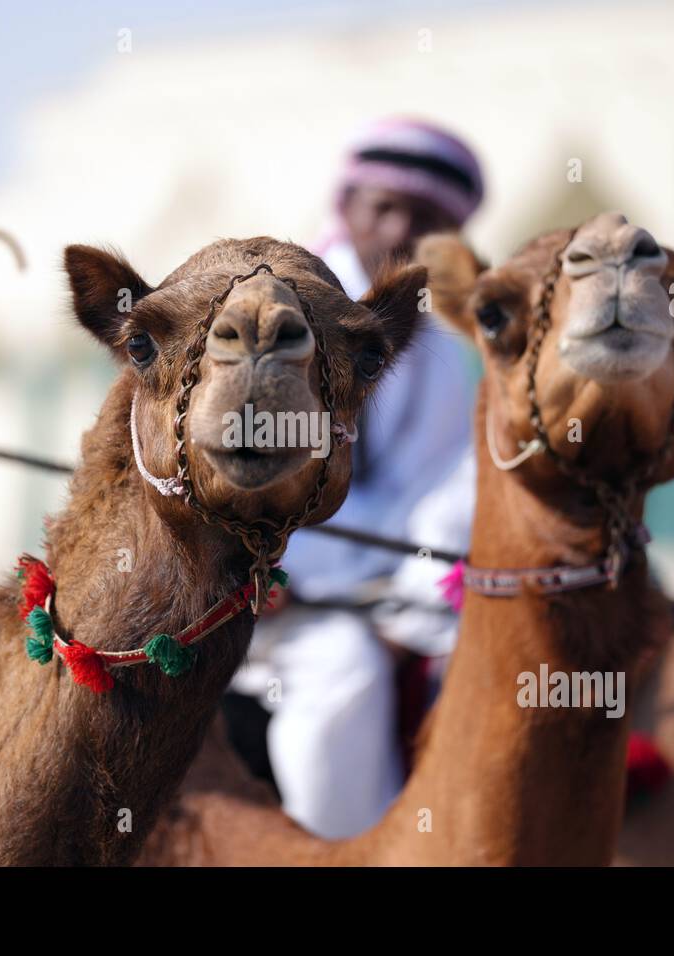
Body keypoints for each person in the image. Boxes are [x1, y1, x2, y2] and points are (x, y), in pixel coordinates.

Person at [230, 118, 486, 838]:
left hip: (384, 589)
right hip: (265, 592)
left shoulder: (434, 349)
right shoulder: (266, 314)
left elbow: (438, 490)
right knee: (346, 673)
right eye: (384, 206)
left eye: (425, 218)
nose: (399, 226)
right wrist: (254, 569)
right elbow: (225, 467)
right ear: (345, 207)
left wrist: (412, 603)